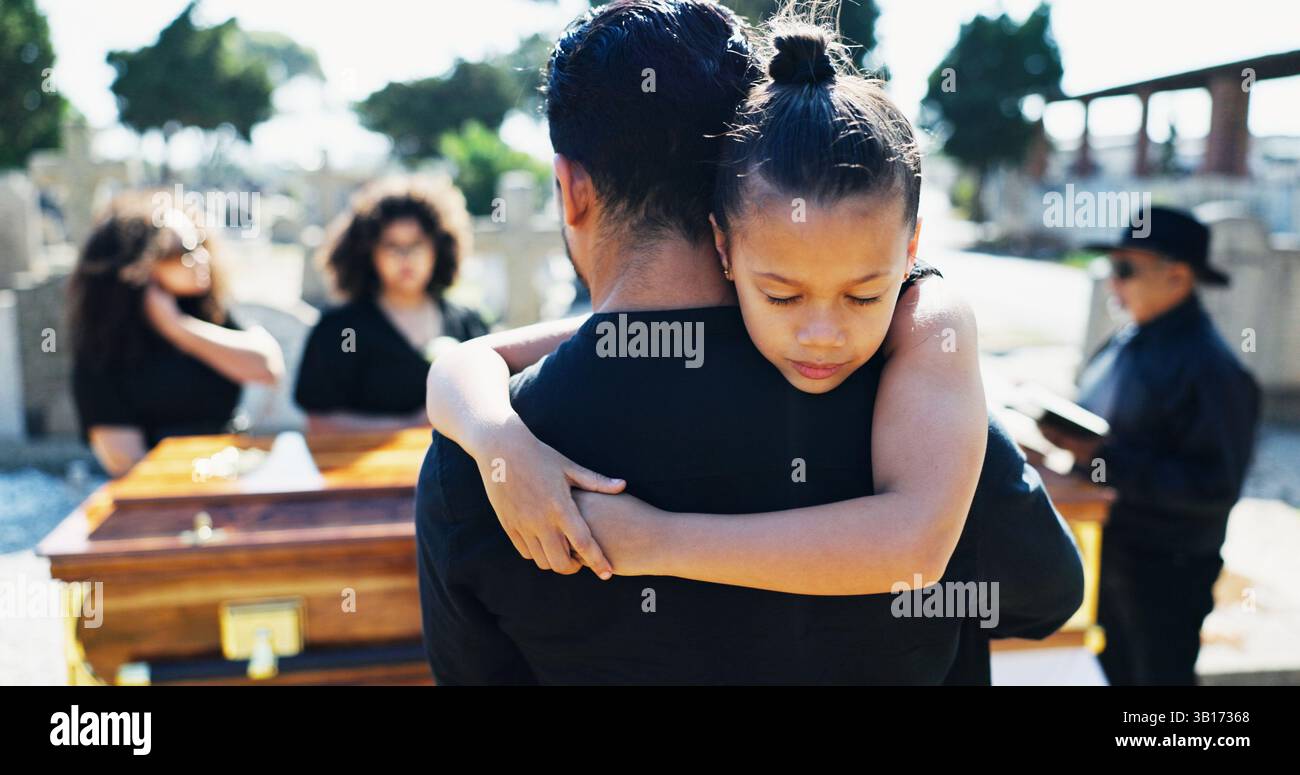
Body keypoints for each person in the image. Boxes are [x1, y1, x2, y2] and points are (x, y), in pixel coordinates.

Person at [417, 0, 1081, 684]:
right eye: (785, 293)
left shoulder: (479, 466)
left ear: (570, 189)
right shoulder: (912, 396)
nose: (822, 328)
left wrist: (499, 439)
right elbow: (1045, 595)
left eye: (858, 293)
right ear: (735, 194)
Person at [1042, 206, 1260, 685]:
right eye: (1110, 269)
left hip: (1165, 570)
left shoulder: (1211, 369)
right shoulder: (1132, 339)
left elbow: (1213, 486)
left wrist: (1100, 460)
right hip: (1116, 552)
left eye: (1125, 270)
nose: (1113, 283)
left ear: (1178, 276)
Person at [68, 194, 285, 477]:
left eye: (200, 244)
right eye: (185, 250)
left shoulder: (205, 311)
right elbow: (126, 463)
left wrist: (179, 328)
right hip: (165, 494)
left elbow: (266, 368)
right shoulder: (103, 352)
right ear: (138, 267)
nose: (202, 258)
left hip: (229, 473)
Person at [294, 175, 488, 433]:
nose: (405, 257)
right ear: (368, 253)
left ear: (438, 248)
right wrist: (407, 426)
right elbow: (318, 422)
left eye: (416, 244)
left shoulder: (467, 323)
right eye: (391, 246)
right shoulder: (339, 329)